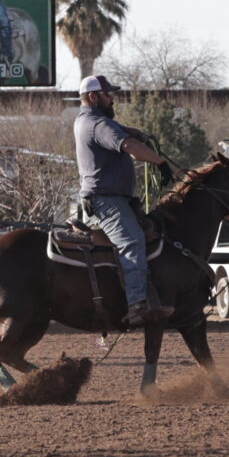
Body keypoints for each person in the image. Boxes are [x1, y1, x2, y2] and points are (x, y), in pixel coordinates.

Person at [74, 74, 172, 327]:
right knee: (133, 242)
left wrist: (133, 131)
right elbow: (129, 146)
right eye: (108, 95)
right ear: (94, 97)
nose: (112, 99)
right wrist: (160, 162)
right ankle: (137, 306)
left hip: (109, 199)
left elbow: (121, 133)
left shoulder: (89, 120)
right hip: (107, 201)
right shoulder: (97, 124)